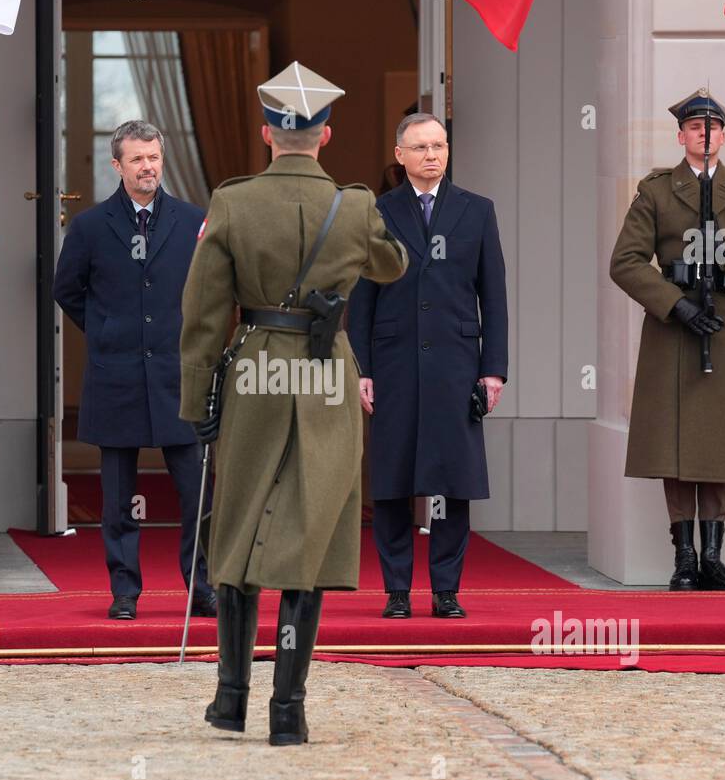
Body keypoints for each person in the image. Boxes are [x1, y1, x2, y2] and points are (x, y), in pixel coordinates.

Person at [181, 62, 407, 745]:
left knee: (242, 522)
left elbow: (202, 313)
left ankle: (230, 698)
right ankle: (289, 711)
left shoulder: (233, 201)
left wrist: (197, 401)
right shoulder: (358, 205)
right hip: (324, 371)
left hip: (256, 369)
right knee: (309, 533)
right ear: (326, 135)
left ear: (266, 134)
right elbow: (392, 266)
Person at [610, 90, 725, 590]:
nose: (704, 135)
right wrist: (675, 302)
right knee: (674, 441)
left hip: (724, 323)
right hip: (674, 323)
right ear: (681, 135)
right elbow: (624, 261)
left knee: (717, 442)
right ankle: (684, 555)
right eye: (694, 128)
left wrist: (718, 250)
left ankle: (714, 556)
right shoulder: (657, 191)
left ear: (723, 136)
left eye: (712, 128)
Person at [54, 120, 217, 621]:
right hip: (116, 375)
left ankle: (203, 585)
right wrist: (104, 331)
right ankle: (125, 590)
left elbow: (212, 290)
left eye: (153, 157)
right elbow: (67, 290)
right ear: (117, 165)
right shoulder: (89, 226)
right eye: (137, 159)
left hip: (177, 374)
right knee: (118, 497)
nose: (147, 167)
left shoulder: (194, 220)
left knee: (198, 493)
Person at [348, 112, 508, 619]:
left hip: (457, 366)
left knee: (454, 482)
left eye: (438, 145)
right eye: (420, 147)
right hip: (393, 364)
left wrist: (494, 370)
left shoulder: (477, 211)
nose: (432, 155)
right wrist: (361, 370)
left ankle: (446, 590)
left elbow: (495, 297)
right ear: (400, 156)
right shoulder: (376, 213)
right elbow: (362, 298)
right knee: (393, 481)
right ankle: (397, 589)